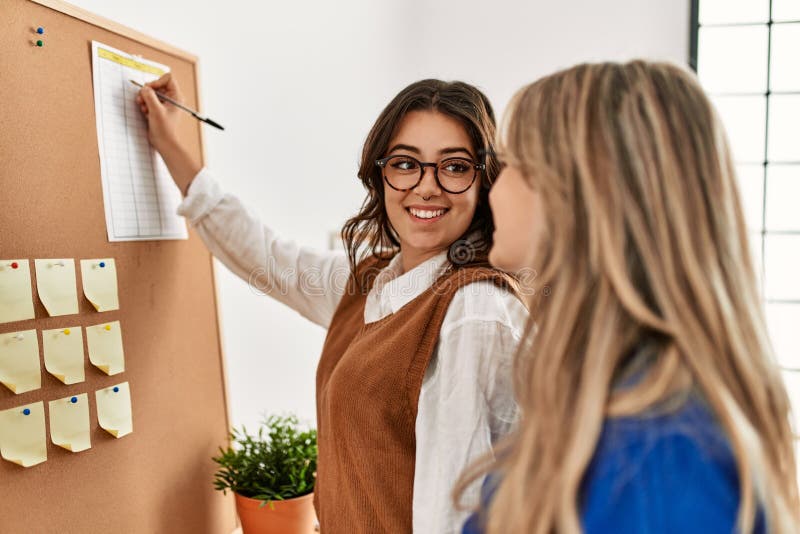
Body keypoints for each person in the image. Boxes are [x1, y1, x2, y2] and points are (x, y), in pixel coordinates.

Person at [136, 76, 528, 533]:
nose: (426, 187)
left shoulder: (474, 310)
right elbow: (265, 255)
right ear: (380, 173)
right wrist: (170, 144)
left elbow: (454, 514)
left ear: (484, 180)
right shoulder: (371, 282)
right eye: (405, 164)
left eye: (455, 166)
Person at [459, 60, 800, 533]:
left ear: (577, 195)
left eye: (514, 162)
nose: (494, 186)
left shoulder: (661, 465)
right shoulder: (601, 418)